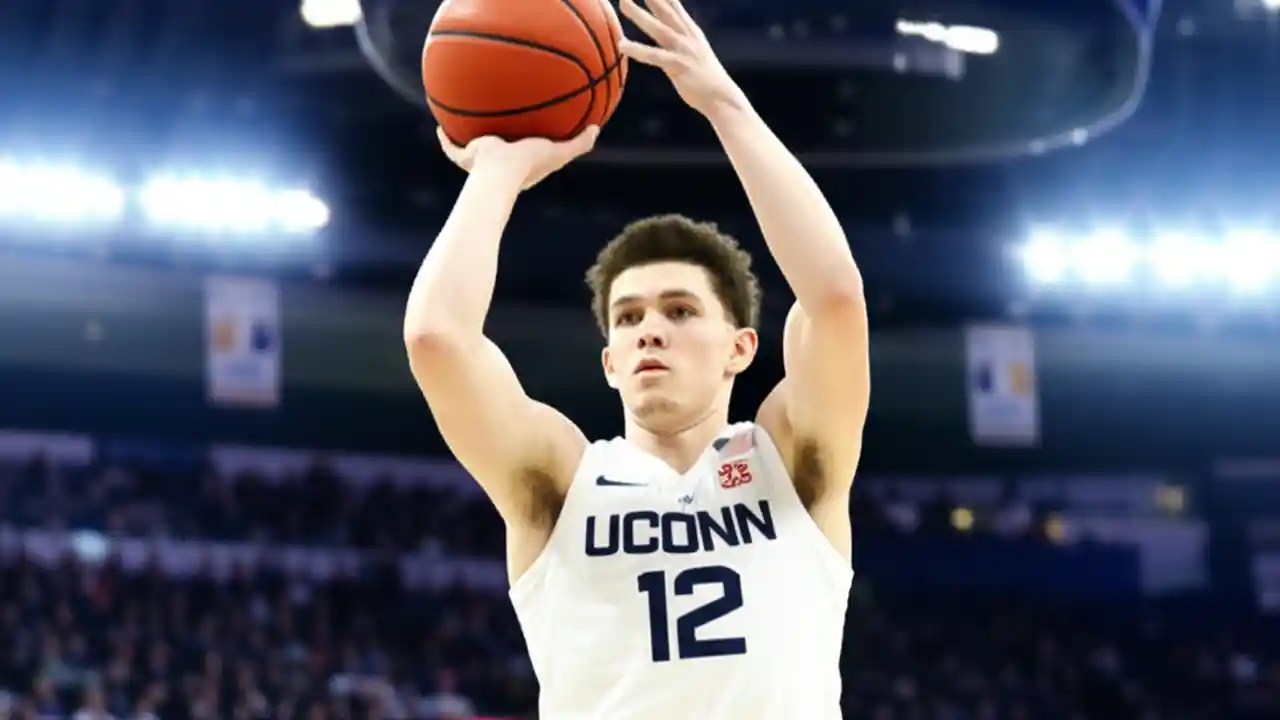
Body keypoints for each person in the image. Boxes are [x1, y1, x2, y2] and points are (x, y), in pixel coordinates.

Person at [402, 0, 869, 717]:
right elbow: (438, 341)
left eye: (681, 311)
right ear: (610, 360)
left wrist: (726, 105)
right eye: (629, 318)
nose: (650, 330)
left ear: (741, 348)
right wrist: (496, 170)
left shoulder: (793, 462)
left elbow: (835, 297)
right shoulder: (560, 482)